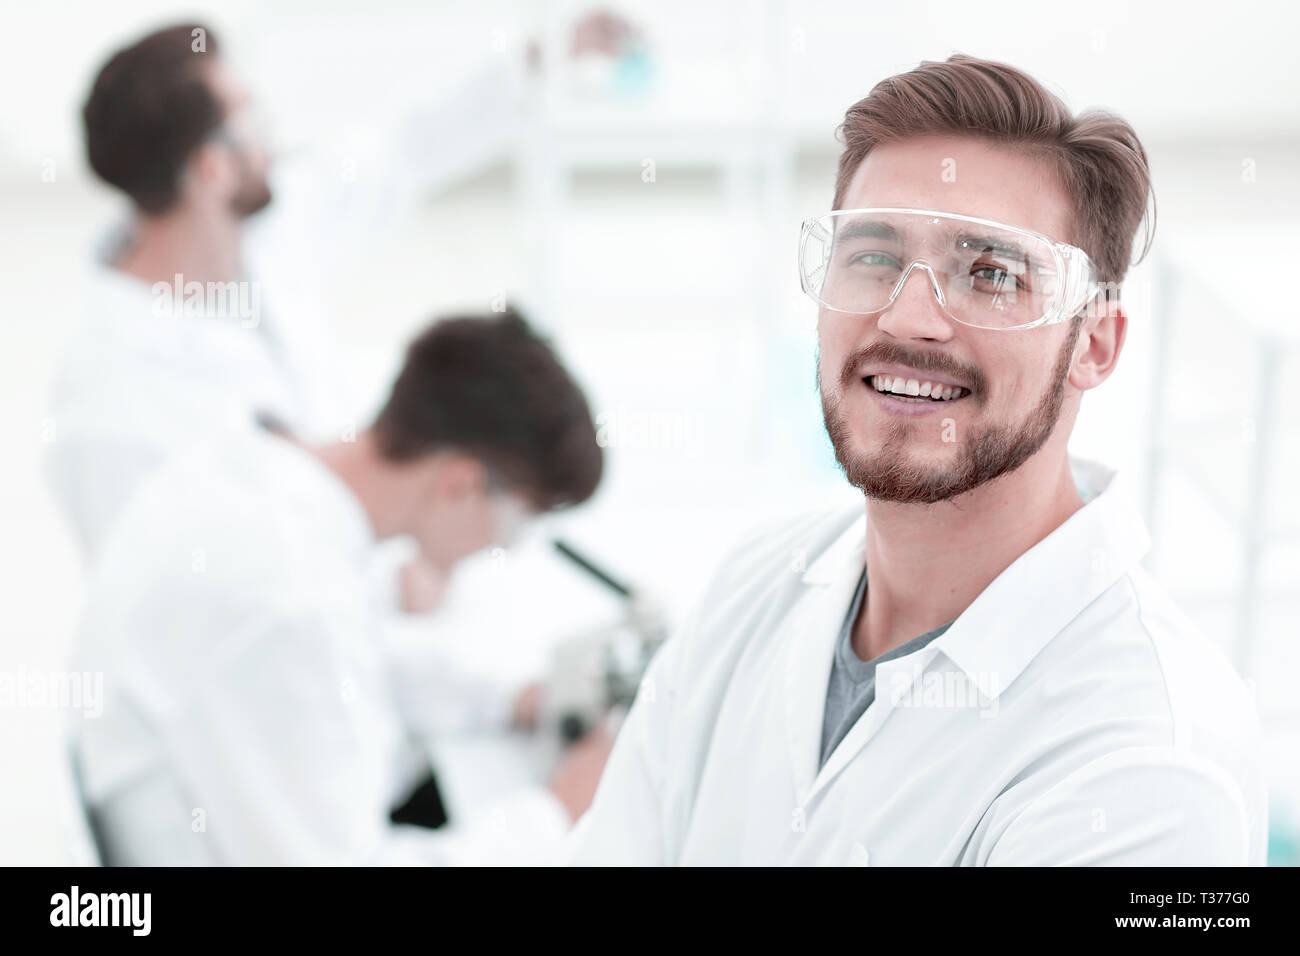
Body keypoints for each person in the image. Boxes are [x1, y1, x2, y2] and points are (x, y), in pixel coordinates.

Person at [565, 54, 1267, 865]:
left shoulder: (1151, 769)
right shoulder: (756, 581)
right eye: (873, 255)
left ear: (1095, 344)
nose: (908, 319)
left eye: (992, 273)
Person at [45, 15, 631, 560]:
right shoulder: (108, 390)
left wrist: (544, 54)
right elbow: (164, 588)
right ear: (210, 170)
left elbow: (405, 147)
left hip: (360, 575)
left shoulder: (266, 229)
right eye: (247, 121)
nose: (267, 135)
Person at [72, 310, 612, 865]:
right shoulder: (291, 595)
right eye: (519, 520)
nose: (511, 546)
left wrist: (512, 699)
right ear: (459, 485)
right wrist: (556, 813)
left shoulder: (249, 471)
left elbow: (364, 666)